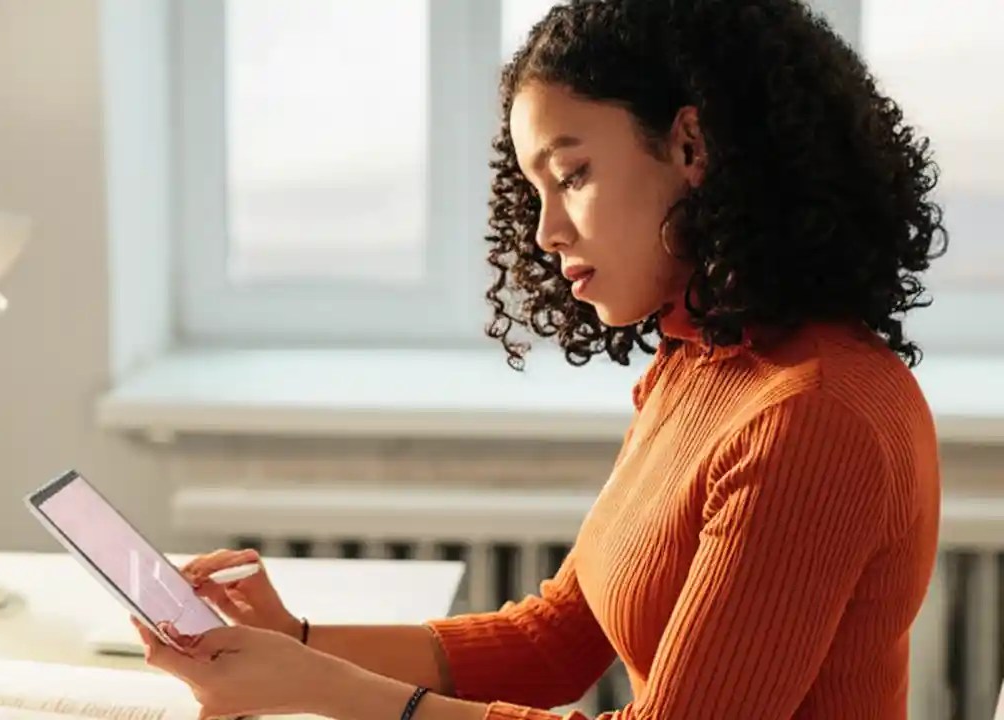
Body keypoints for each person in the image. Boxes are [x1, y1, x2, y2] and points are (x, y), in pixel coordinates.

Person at [131, 0, 945, 717]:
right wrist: (297, 642)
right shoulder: (699, 365)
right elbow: (553, 640)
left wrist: (323, 689)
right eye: (537, 191)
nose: (546, 232)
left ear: (690, 147)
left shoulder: (814, 417)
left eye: (574, 175)